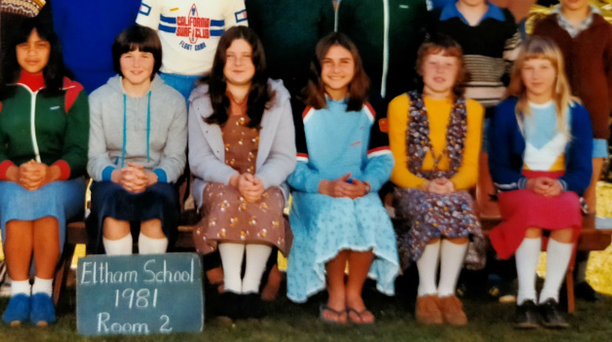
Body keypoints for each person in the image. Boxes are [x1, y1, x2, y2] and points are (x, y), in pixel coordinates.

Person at [0, 18, 89, 327]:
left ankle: (42, 291)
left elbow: (79, 151)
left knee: (47, 196)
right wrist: (15, 173)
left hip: (63, 181)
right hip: (9, 180)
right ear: (12, 50)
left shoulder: (72, 91)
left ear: (51, 49)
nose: (31, 53)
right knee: (19, 197)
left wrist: (52, 172)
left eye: (40, 46)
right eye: (24, 46)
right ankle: (18, 293)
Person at [286, 33, 397, 324]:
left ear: (356, 66)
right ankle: (335, 292)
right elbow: (294, 167)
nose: (336, 69)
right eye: (329, 62)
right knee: (338, 213)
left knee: (372, 215)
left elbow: (382, 158)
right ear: (317, 67)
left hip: (358, 189)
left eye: (344, 62)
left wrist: (367, 185)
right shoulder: (300, 105)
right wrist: (324, 186)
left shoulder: (372, 103)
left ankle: (354, 293)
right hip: (315, 191)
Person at [530, 0, 612, 301]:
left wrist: (597, 109)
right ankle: (538, 268)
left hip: (593, 126)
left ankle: (578, 276)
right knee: (547, 189)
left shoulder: (604, 31)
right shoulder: (544, 28)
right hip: (548, 124)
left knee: (586, 193)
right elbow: (532, 67)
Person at [188, 27, 295, 320]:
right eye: (231, 56)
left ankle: (250, 288)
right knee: (229, 200)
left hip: (264, 179)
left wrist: (263, 180)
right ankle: (233, 287)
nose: (238, 63)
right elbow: (198, 159)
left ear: (257, 61)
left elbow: (285, 156)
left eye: (245, 56)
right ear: (220, 61)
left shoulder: (277, 98)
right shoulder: (201, 99)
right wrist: (234, 179)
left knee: (267, 200)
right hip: (218, 180)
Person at [488, 37, 593, 330]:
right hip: (518, 186)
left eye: (544, 67)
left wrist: (563, 185)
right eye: (529, 68)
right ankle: (525, 299)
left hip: (561, 185)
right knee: (531, 213)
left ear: (557, 71)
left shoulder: (575, 112)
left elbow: (582, 169)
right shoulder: (508, 110)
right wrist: (526, 183)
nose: (537, 75)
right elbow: (498, 166)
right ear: (519, 73)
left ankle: (549, 297)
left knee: (568, 210)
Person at [388, 36, 485, 326]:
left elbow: (471, 167)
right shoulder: (401, 105)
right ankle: (426, 291)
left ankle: (447, 292)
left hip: (453, 185)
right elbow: (396, 166)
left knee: (458, 205)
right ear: (421, 68)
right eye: (433, 64)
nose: (440, 71)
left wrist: (452, 185)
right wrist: (424, 185)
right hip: (413, 185)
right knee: (429, 207)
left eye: (448, 65)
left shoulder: (472, 110)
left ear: (459, 71)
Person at [86, 25, 188, 255]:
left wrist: (151, 177)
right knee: (113, 209)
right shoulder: (98, 100)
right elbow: (94, 158)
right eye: (128, 56)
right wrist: (118, 175)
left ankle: (151, 276)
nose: (136, 64)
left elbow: (176, 158)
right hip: (111, 178)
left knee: (156, 209)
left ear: (156, 59)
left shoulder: (174, 101)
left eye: (145, 56)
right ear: (118, 59)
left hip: (157, 178)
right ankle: (118, 275)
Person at [427, 0, 521, 113]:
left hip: (492, 114)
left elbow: (516, 70)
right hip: (449, 114)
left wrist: (506, 102)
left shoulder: (504, 19)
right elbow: (425, 67)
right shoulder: (437, 20)